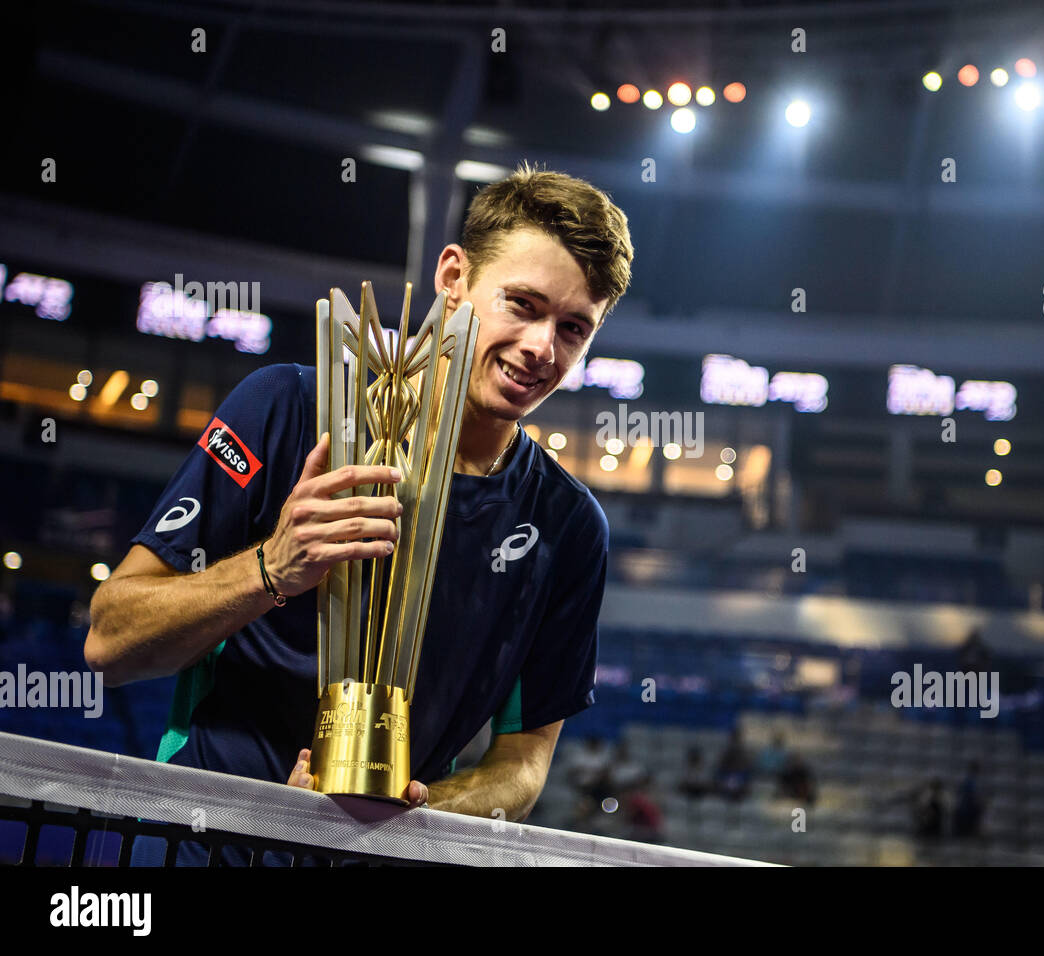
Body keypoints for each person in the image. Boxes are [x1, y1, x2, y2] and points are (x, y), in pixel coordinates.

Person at [84, 164, 634, 866]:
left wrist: (411, 814)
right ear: (454, 277)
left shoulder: (569, 525)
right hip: (195, 847)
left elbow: (524, 763)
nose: (542, 347)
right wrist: (270, 569)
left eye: (573, 328)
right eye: (522, 304)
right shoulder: (286, 408)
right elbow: (109, 645)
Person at [713, 727, 753, 802]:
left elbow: (746, 764)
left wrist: (740, 767)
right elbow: (721, 764)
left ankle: (737, 794)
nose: (735, 740)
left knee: (743, 779)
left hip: (739, 774)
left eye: (737, 737)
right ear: (731, 738)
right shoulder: (726, 750)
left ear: (739, 738)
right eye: (734, 737)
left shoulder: (743, 750)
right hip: (728, 773)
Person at [951, 761, 983, 838]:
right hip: (967, 807)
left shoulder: (969, 780)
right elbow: (971, 795)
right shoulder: (970, 781)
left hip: (967, 806)